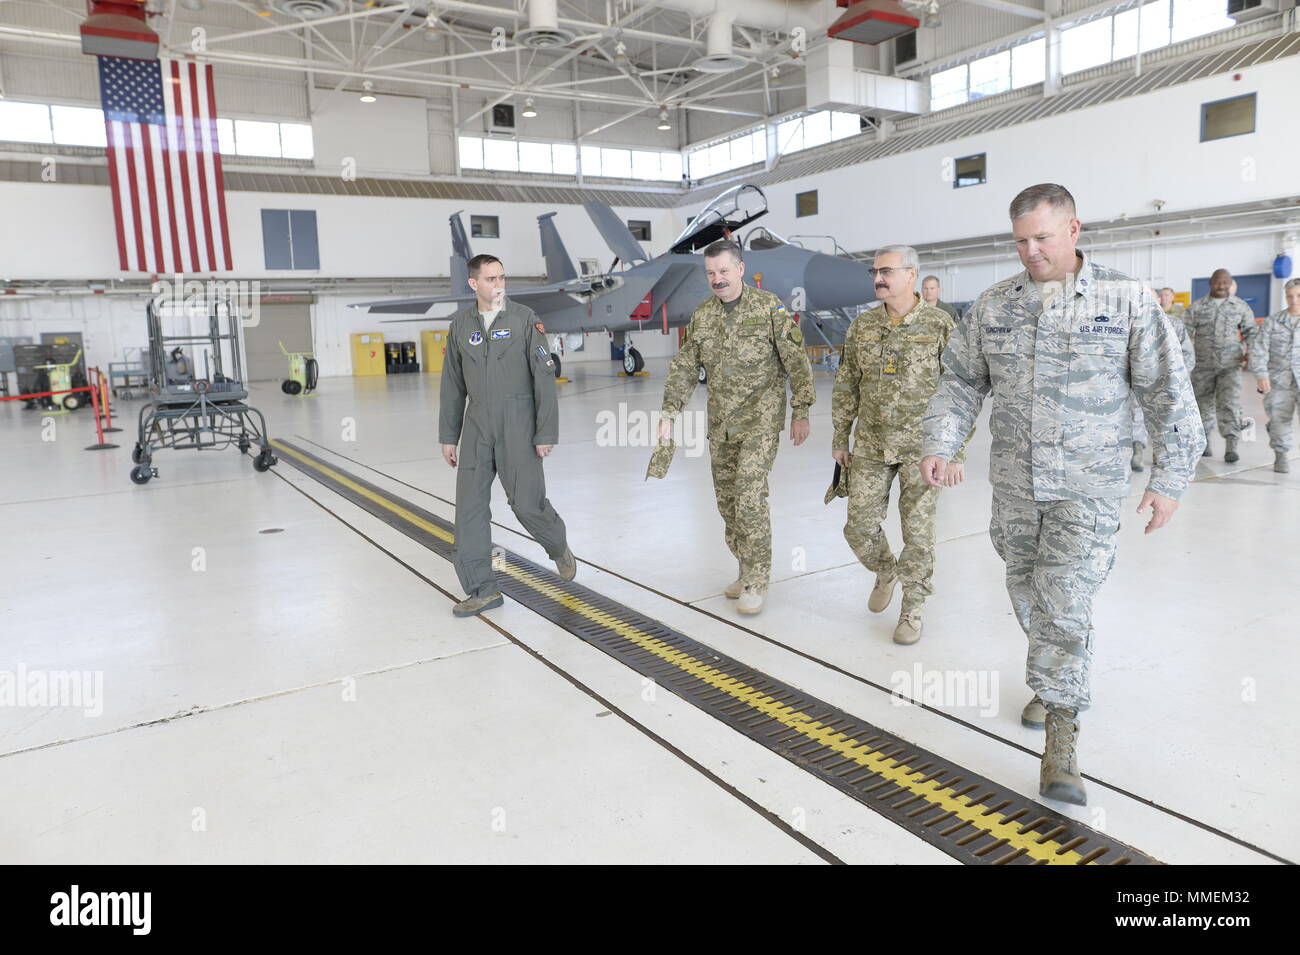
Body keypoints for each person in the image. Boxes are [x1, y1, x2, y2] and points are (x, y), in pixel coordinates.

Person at [920, 183, 1203, 805]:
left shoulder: (1124, 300)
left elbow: (1167, 393)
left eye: (1042, 238)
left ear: (1074, 229)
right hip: (1017, 489)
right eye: (1021, 240)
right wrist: (941, 441)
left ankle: (1062, 737)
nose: (1031, 252)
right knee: (1028, 591)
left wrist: (1169, 478)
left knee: (1064, 597)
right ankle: (1054, 681)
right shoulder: (996, 305)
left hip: (1089, 487)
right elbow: (961, 382)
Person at [656, 238, 816, 615]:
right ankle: (745, 567)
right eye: (711, 273)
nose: (718, 279)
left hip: (760, 421)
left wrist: (802, 409)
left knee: (748, 496)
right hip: (721, 424)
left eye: (724, 271)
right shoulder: (703, 315)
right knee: (727, 504)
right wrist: (668, 413)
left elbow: (796, 359)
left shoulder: (768, 307)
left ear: (741, 269)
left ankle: (757, 578)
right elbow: (684, 366)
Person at [833, 246, 970, 645]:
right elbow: (846, 384)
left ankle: (912, 609)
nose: (878, 277)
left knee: (918, 534)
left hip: (923, 450)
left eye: (887, 271)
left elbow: (960, 389)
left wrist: (954, 450)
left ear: (911, 275)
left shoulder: (941, 325)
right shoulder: (862, 326)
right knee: (858, 526)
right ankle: (885, 569)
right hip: (873, 444)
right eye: (875, 271)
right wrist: (841, 437)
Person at [439, 254, 575, 617]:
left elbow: (544, 379)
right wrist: (448, 435)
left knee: (528, 504)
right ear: (474, 284)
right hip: (478, 424)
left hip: (519, 423)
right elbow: (452, 385)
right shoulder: (459, 326)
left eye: (502, 278)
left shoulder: (525, 319)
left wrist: (545, 431)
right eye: (490, 279)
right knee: (469, 511)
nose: (498, 285)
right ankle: (483, 588)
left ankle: (557, 544)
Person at [1184, 269, 1259, 462]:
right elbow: (1184, 336)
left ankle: (1231, 445)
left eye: (1225, 282)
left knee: (1230, 403)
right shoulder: (1197, 307)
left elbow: (1251, 331)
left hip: (1230, 366)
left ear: (1230, 283)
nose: (1221, 286)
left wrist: (1252, 352)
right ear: (1211, 283)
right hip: (1202, 366)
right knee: (1202, 405)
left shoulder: (1240, 306)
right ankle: (1205, 441)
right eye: (1218, 282)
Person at [1128, 287, 1195, 472]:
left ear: (1158, 299)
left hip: (1167, 382)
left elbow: (1188, 354)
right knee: (1136, 416)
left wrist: (1179, 378)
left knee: (1166, 419)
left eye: (1151, 297)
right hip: (1138, 381)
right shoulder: (1130, 325)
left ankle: (1162, 456)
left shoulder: (1175, 323)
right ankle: (1137, 451)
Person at [1250, 277, 1300, 473]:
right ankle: (1281, 455)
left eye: (1298, 295)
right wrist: (1261, 375)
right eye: (1290, 296)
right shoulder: (1273, 322)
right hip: (1279, 381)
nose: (1294, 300)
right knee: (1279, 420)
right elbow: (1259, 349)